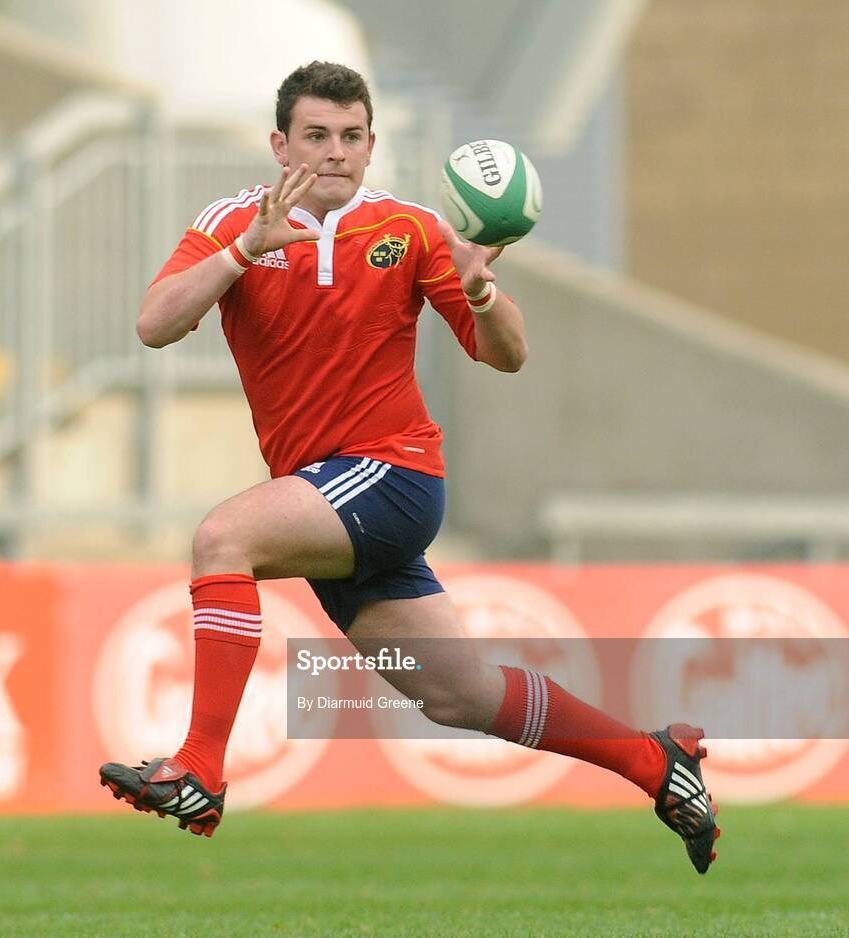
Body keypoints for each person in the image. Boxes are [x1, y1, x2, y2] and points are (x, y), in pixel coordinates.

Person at [100, 61, 720, 873]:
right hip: (323, 498)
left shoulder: (414, 230)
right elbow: (154, 324)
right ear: (280, 146)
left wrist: (483, 293)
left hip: (391, 476)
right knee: (460, 696)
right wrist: (245, 252)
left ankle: (199, 770)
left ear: (371, 145)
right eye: (316, 135)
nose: (335, 152)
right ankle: (656, 761)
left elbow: (508, 355)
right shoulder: (233, 222)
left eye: (351, 136)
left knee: (224, 540)